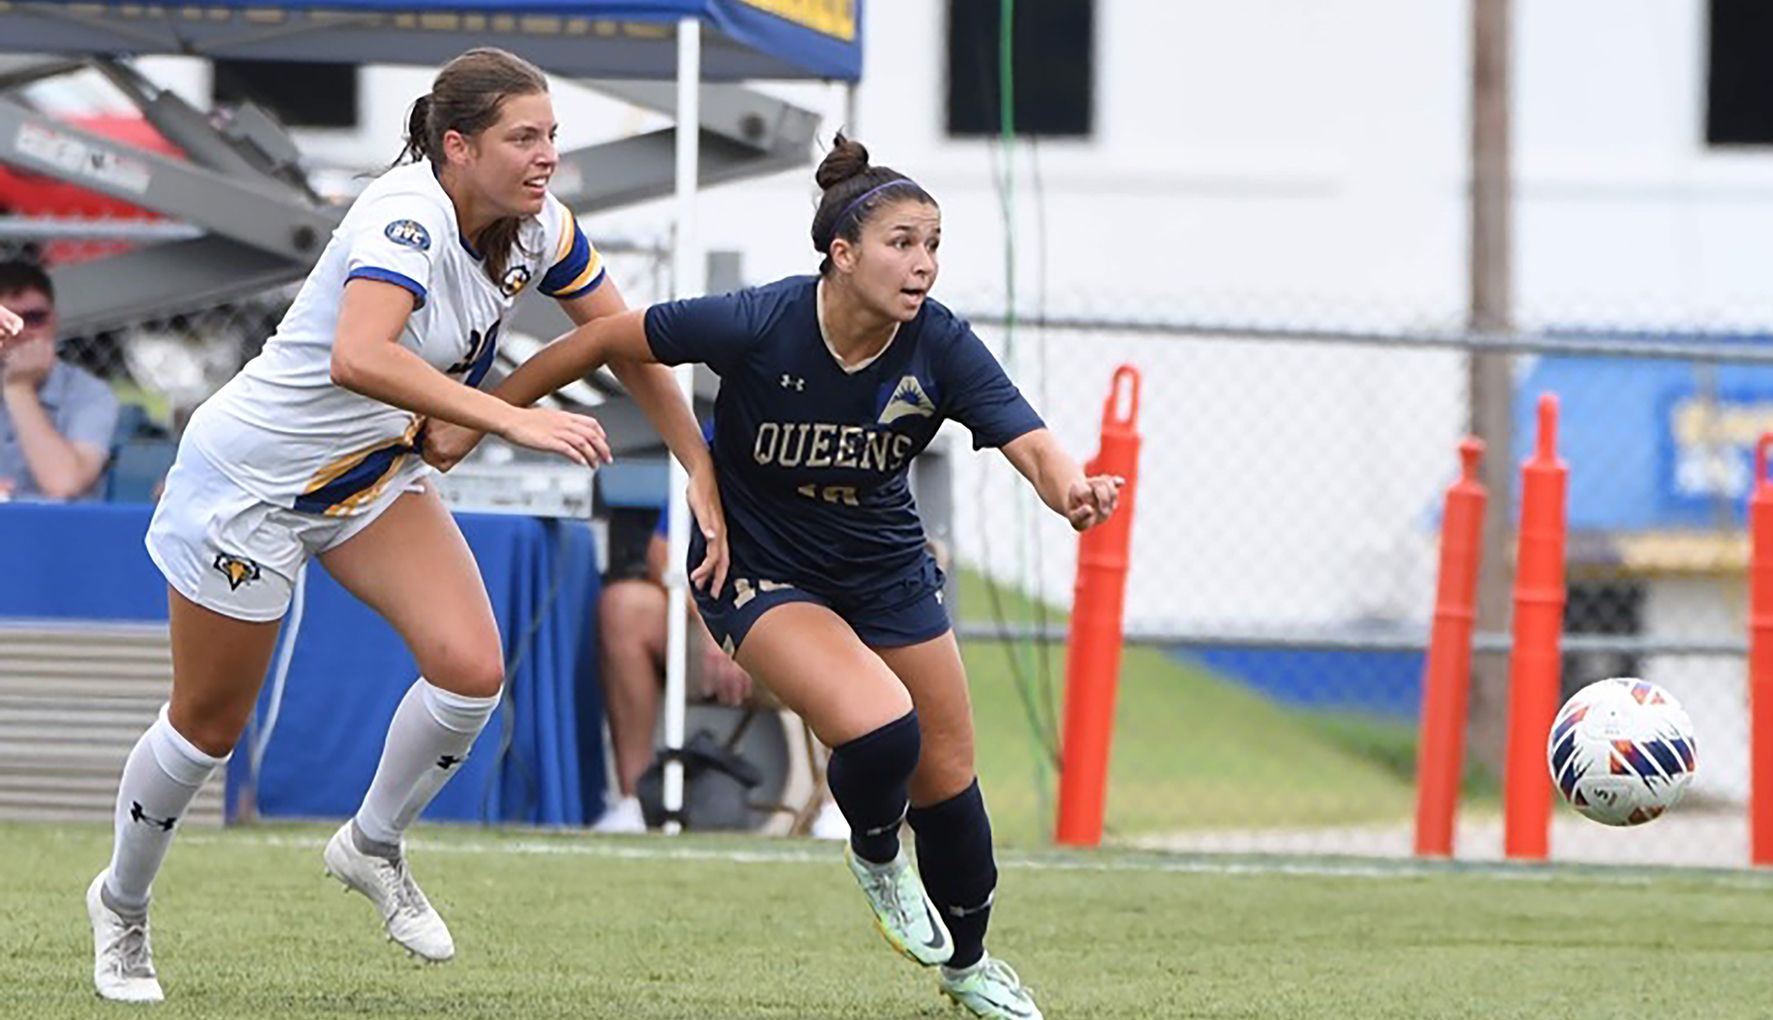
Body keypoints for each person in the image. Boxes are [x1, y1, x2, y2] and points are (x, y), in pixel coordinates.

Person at [83, 47, 727, 1004]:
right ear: (457, 147)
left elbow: (622, 340)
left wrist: (700, 467)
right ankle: (122, 907)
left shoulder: (539, 226)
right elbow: (358, 356)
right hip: (247, 486)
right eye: (525, 137)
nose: (547, 155)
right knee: (208, 727)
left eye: (553, 135)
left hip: (367, 481)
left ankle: (371, 846)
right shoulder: (405, 213)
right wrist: (505, 415)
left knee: (471, 671)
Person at [430, 133, 1121, 1020]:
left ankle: (972, 966)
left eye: (933, 244)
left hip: (884, 569)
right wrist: (482, 417)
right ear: (841, 253)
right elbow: (605, 336)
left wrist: (1071, 491)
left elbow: (1026, 436)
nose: (923, 265)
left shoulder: (937, 344)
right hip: (756, 564)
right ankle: (875, 852)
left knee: (951, 785)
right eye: (902, 243)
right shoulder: (760, 321)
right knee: (881, 733)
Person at [593, 505, 754, 833]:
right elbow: (660, 548)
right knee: (624, 606)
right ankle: (632, 805)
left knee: (843, 618)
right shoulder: (713, 457)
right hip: (710, 626)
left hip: (796, 628)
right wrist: (717, 626)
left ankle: (841, 808)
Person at [0, 261, 120, 501]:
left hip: (58, 533)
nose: (21, 331)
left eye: (34, 318)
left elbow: (63, 483)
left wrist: (19, 388)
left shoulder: (90, 393)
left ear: (53, 321)